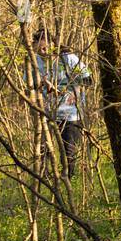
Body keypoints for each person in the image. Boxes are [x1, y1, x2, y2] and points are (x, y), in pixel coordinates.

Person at [30, 28, 91, 178]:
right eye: (39, 50)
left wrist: (75, 91)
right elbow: (29, 86)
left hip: (70, 113)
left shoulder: (67, 58)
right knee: (42, 149)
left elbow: (88, 79)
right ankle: (45, 180)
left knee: (69, 150)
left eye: (45, 48)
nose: (43, 53)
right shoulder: (34, 62)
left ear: (52, 45)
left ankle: (69, 179)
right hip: (46, 112)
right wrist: (41, 84)